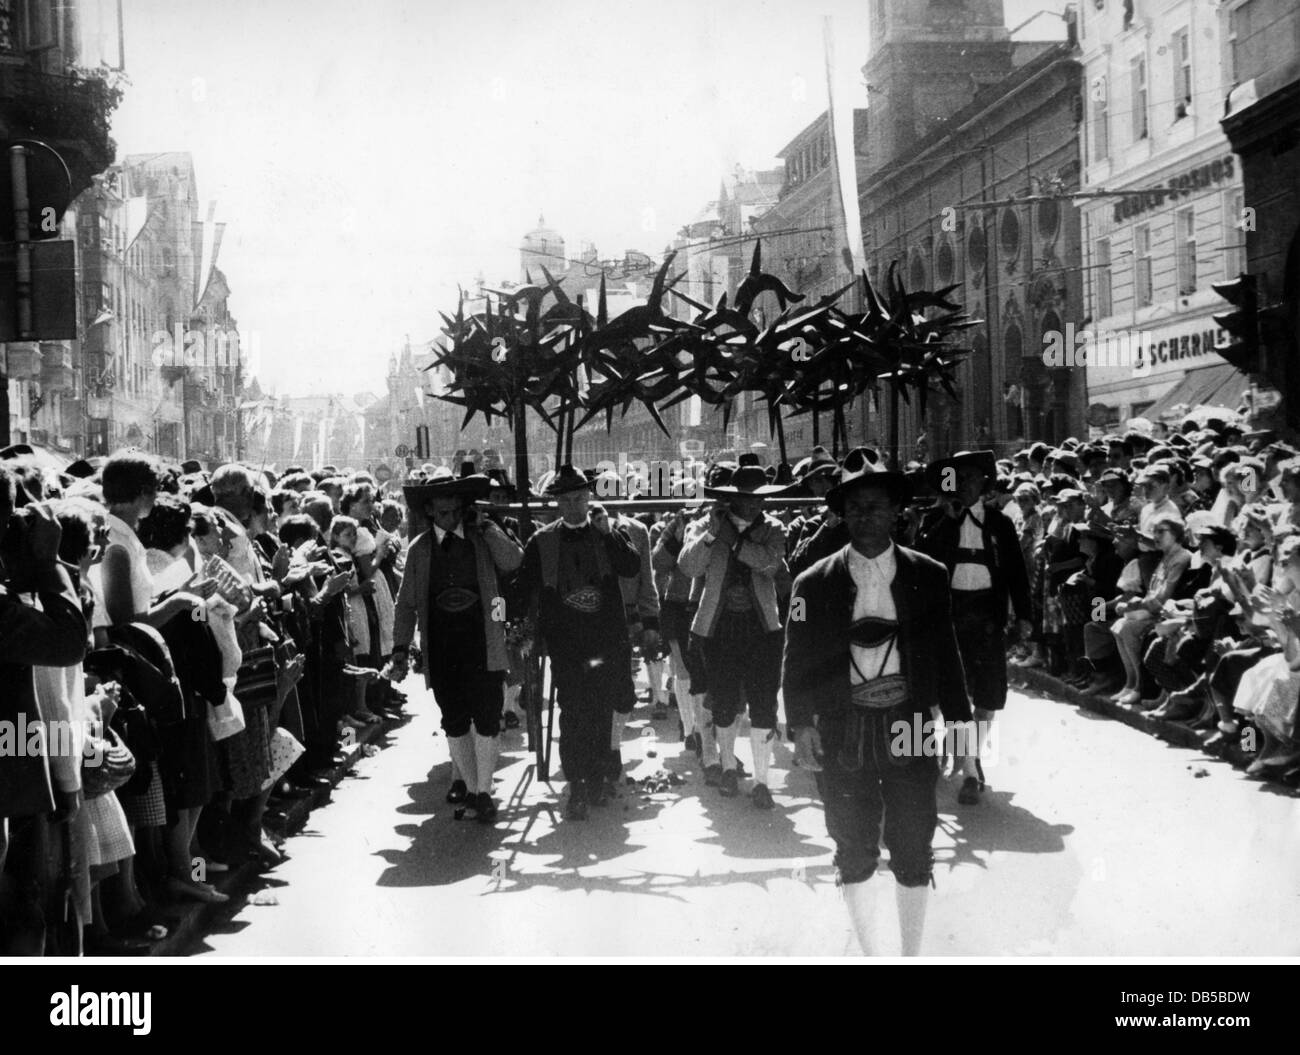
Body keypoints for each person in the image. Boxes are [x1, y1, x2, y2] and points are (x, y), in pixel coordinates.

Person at [783, 460, 970, 956]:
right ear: (842, 515)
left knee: (913, 843)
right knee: (853, 844)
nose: (865, 517)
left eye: (875, 507)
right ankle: (870, 953)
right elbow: (796, 659)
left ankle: (910, 954)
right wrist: (801, 724)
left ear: (896, 512)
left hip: (910, 725)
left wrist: (960, 729)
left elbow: (948, 655)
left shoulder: (928, 576)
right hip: (843, 728)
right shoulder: (811, 584)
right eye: (854, 508)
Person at [390, 469, 522, 821]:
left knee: (488, 716)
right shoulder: (419, 550)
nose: (449, 518)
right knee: (455, 718)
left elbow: (514, 561)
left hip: (483, 639)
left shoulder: (483, 539)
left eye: (456, 510)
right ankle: (468, 783)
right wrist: (400, 649)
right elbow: (405, 605)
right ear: (430, 511)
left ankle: (483, 791)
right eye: (442, 512)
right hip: (443, 644)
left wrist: (488, 526)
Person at [519, 466, 639, 820]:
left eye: (580, 498)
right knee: (572, 712)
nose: (574, 506)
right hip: (566, 643)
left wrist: (609, 535)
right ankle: (577, 784)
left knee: (602, 708)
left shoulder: (608, 532)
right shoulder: (541, 541)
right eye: (566, 499)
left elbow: (631, 567)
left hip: (605, 640)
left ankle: (599, 777)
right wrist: (513, 627)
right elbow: (521, 588)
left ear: (590, 498)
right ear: (557, 502)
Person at [914, 451, 1031, 806]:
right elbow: (919, 560)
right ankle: (962, 767)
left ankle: (971, 758)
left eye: (970, 478)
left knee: (988, 693)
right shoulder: (933, 520)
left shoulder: (999, 523)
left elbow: (1016, 572)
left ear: (983, 482)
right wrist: (945, 521)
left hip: (986, 616)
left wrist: (1025, 615)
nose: (963, 484)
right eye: (956, 478)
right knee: (941, 691)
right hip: (946, 616)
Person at [677, 463, 788, 807]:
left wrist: (735, 542)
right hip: (717, 629)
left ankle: (762, 781)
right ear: (732, 499)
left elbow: (771, 564)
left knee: (763, 703)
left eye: (758, 500)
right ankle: (726, 766)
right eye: (746, 499)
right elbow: (688, 566)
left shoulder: (773, 529)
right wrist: (713, 534)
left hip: (761, 629)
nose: (754, 506)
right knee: (723, 702)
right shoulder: (705, 527)